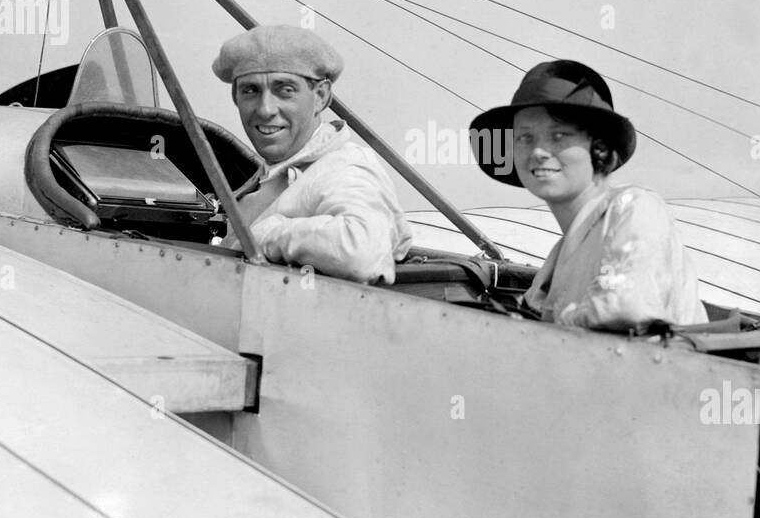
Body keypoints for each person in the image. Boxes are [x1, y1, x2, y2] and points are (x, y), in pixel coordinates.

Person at [469, 60, 707, 331]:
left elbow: (626, 305)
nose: (538, 151)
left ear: (600, 148)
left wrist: (558, 320)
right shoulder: (558, 257)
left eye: (558, 135)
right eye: (524, 138)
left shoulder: (635, 208)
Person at [211, 24, 412, 283]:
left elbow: (362, 251)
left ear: (320, 96)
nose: (265, 109)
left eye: (285, 90)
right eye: (250, 90)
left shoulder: (344, 167)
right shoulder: (273, 173)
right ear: (235, 97)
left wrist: (266, 233)